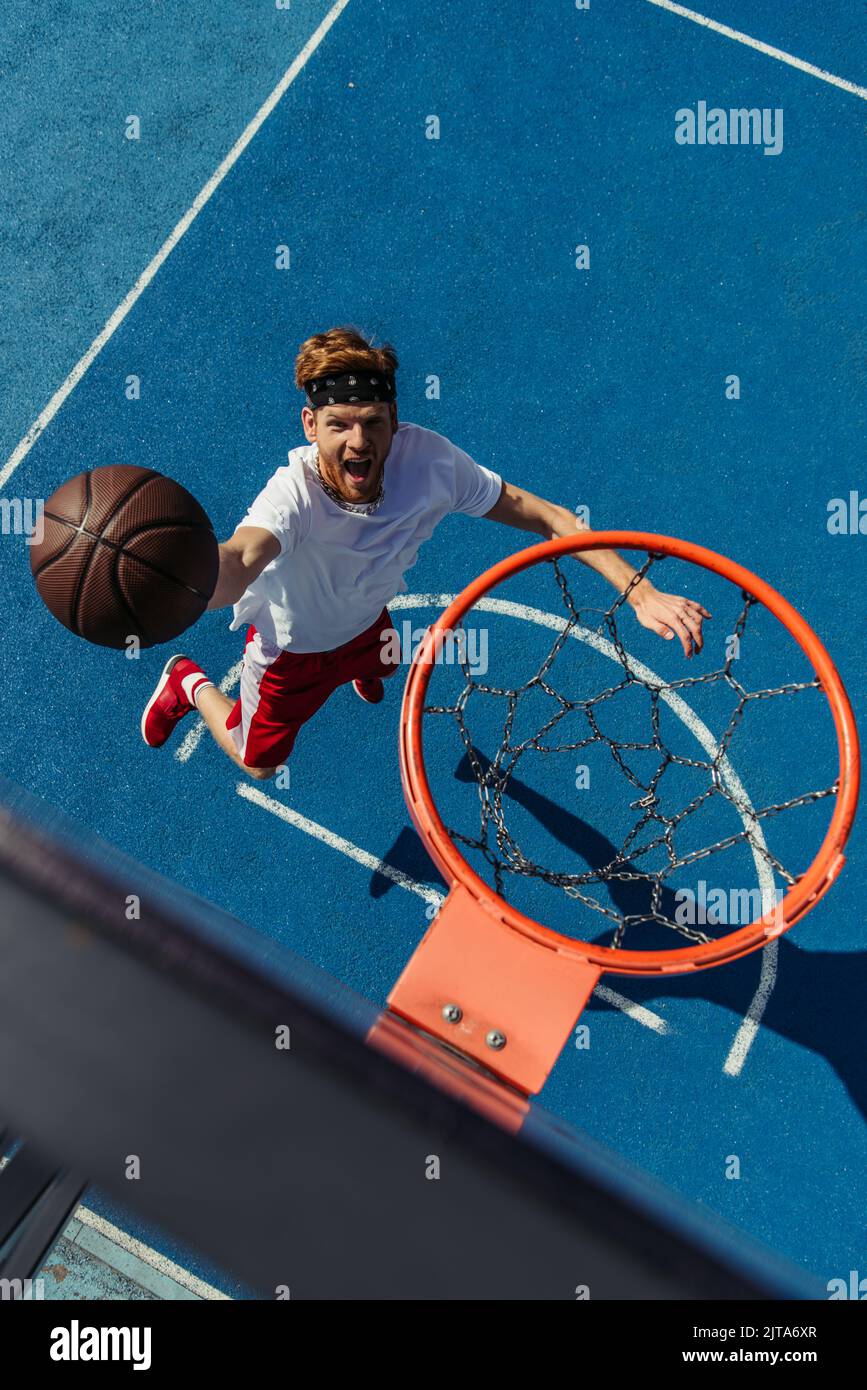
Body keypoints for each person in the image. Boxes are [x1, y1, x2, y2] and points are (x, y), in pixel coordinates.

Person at [142, 325, 709, 780]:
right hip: (294, 651)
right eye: (339, 425)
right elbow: (239, 561)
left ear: (396, 423)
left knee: (385, 661)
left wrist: (640, 592)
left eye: (373, 424)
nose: (358, 442)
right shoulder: (292, 496)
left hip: (367, 622)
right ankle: (188, 683)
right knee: (260, 764)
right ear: (310, 426)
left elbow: (550, 518)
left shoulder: (432, 464)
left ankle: (357, 667)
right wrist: (178, 581)